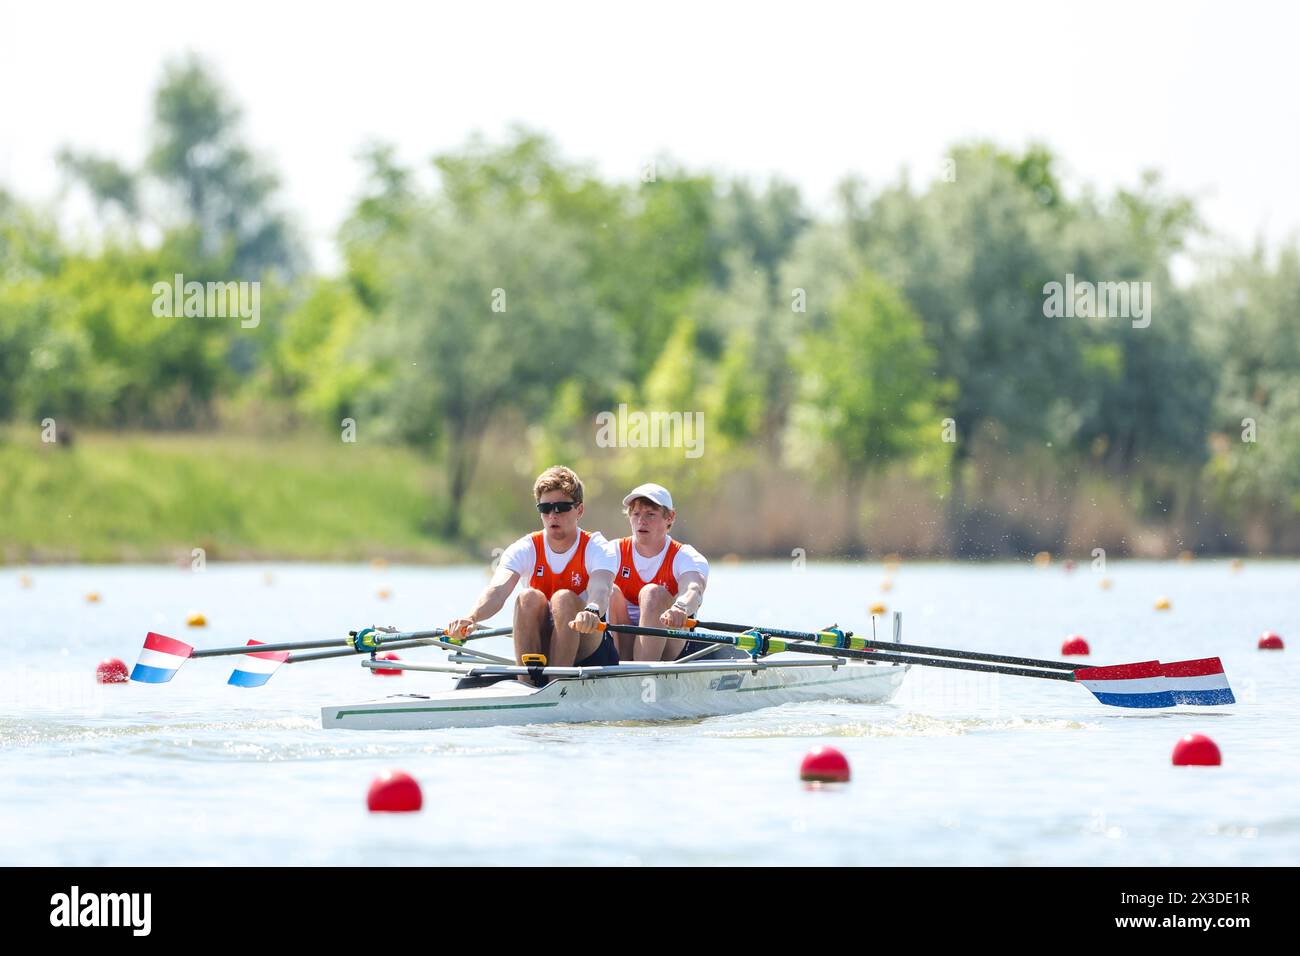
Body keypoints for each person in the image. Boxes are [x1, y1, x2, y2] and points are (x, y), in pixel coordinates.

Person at [447, 466, 619, 678]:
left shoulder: (598, 547)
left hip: (590, 647)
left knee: (563, 599)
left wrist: (592, 611)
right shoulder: (525, 548)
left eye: (562, 507)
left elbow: (601, 588)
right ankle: (527, 684)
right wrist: (471, 617)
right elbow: (497, 590)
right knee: (527, 597)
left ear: (579, 510)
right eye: (545, 508)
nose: (553, 515)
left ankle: (556, 683)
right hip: (544, 643)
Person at [606, 483, 709, 661]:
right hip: (624, 642)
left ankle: (642, 675)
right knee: (611, 591)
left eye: (650, 514)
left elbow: (694, 588)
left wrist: (681, 607)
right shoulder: (612, 551)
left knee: (652, 593)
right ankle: (616, 673)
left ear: (670, 517)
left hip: (669, 644)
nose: (641, 521)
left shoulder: (685, 556)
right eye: (636, 514)